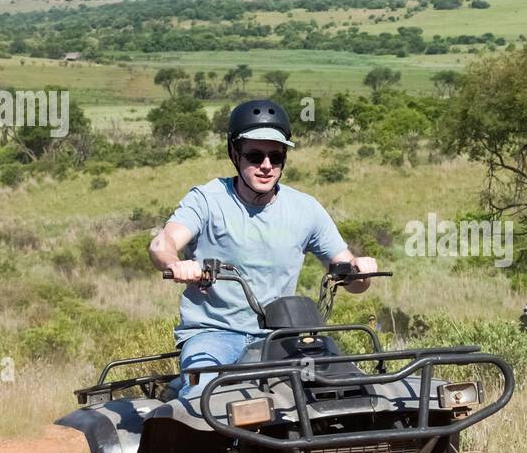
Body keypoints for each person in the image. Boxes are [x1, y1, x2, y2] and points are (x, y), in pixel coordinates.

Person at [148, 99, 377, 407]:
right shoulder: (207, 200)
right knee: (205, 401)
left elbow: (348, 273)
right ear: (234, 154)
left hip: (283, 338)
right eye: (255, 156)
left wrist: (360, 271)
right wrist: (177, 264)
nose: (266, 166)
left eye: (276, 156)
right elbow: (161, 244)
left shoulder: (305, 208)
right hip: (216, 335)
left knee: (346, 391)